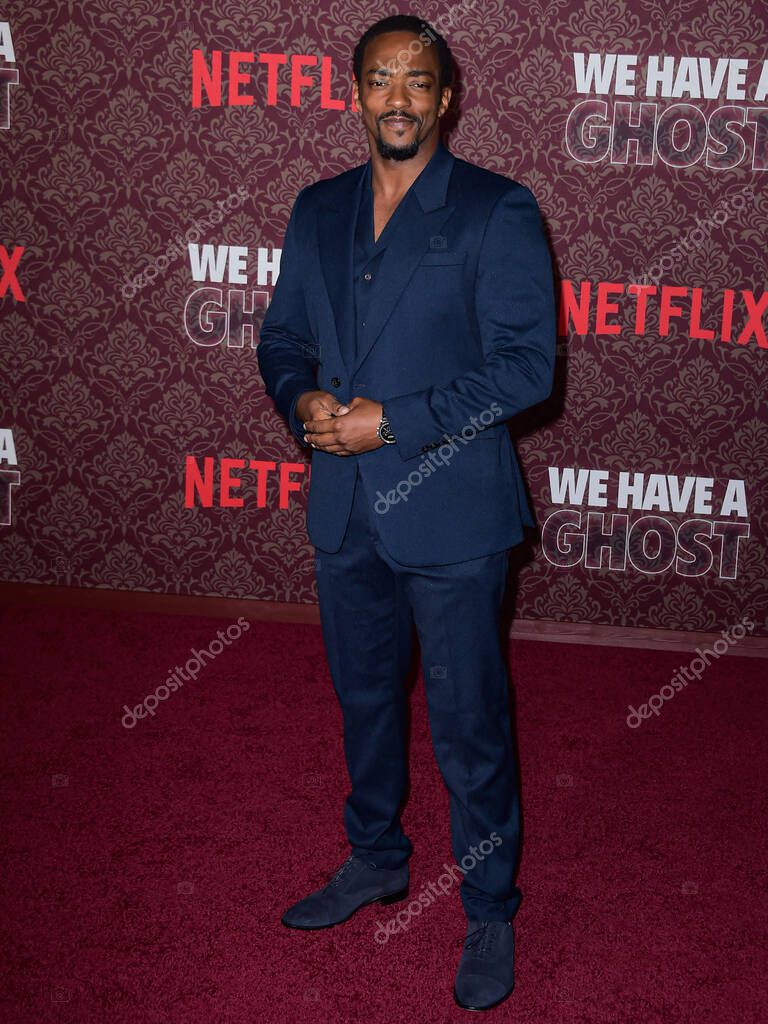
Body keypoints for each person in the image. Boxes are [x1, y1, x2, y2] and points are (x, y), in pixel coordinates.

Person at [257, 13, 556, 1012]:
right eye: (379, 79)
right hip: (343, 510)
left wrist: (396, 424)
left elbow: (525, 368)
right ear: (353, 95)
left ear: (448, 98)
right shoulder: (316, 208)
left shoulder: (496, 210)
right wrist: (300, 399)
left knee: (470, 721)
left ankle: (489, 906)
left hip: (455, 515)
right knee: (366, 702)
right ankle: (378, 856)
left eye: (416, 81)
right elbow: (284, 338)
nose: (397, 97)